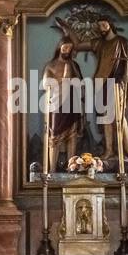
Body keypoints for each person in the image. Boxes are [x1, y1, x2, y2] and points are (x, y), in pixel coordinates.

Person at [90, 17, 128, 162]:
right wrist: (68, 31)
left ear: (110, 25)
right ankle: (109, 150)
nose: (102, 28)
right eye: (99, 25)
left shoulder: (122, 41)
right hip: (102, 83)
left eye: (104, 24)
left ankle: (127, 148)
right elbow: (79, 45)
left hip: (117, 82)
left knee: (118, 116)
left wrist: (126, 77)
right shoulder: (100, 44)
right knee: (106, 116)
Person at [41, 32, 85, 170]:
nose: (67, 51)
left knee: (72, 135)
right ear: (59, 47)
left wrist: (72, 80)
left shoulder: (74, 65)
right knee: (54, 136)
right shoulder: (51, 65)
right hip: (57, 103)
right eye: (65, 47)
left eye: (70, 48)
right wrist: (63, 80)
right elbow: (45, 84)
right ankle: (52, 170)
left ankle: (70, 168)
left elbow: (81, 83)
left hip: (73, 102)